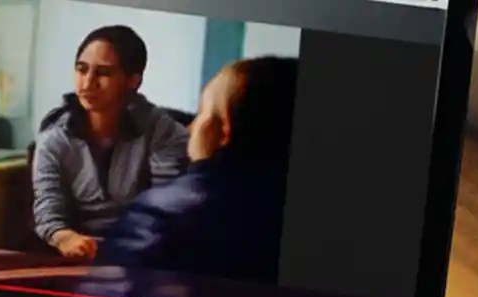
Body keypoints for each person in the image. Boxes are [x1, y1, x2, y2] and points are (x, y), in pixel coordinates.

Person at [99, 56, 299, 283]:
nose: (190, 127)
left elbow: (108, 294)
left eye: (202, 112)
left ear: (223, 133)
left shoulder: (161, 217)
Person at [32, 26, 190, 261]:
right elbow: (48, 209)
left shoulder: (161, 130)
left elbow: (165, 208)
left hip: (142, 251)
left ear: (133, 81)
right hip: (77, 253)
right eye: (81, 69)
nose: (87, 82)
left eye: (103, 73)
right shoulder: (55, 138)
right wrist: (64, 237)